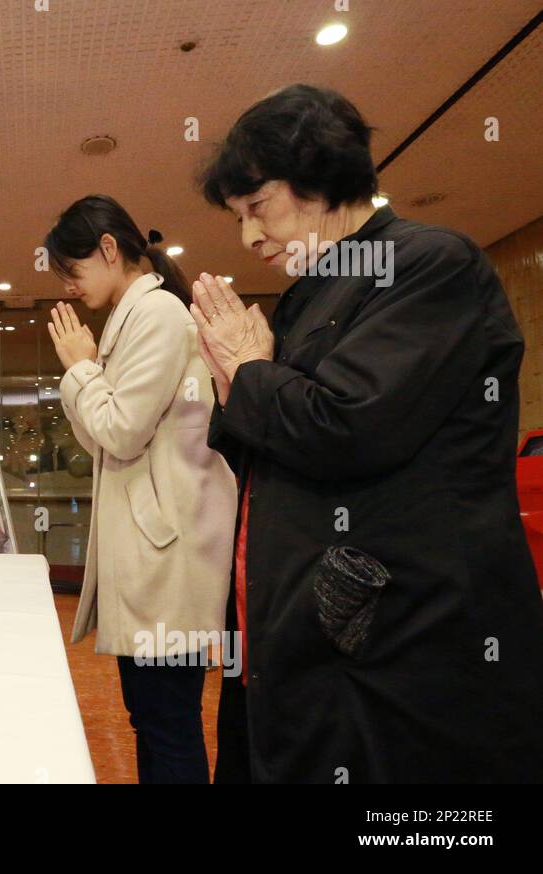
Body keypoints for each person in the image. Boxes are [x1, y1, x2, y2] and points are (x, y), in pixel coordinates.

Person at [195, 84, 543, 782]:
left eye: (257, 207)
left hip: (407, 649)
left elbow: (346, 427)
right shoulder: (310, 292)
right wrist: (242, 382)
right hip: (312, 645)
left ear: (320, 175)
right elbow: (269, 445)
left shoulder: (428, 264)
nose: (249, 236)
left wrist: (248, 369)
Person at [45, 195, 238, 783]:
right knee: (154, 718)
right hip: (157, 553)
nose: (72, 287)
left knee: (166, 721)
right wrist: (87, 374)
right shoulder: (136, 317)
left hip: (166, 556)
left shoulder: (155, 315)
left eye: (73, 271)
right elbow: (101, 434)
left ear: (109, 249)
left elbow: (118, 431)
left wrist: (80, 369)